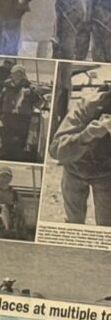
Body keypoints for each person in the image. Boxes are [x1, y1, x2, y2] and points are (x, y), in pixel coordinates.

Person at [51, 77, 111, 223]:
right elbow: (56, 149)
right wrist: (86, 135)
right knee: (74, 222)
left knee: (107, 225)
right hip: (75, 170)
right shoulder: (87, 106)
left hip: (106, 174)